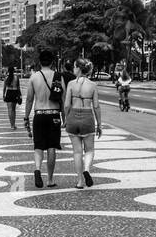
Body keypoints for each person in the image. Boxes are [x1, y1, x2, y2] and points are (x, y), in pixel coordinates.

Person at [25, 49, 64, 188]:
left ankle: (37, 169)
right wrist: (64, 118)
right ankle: (50, 179)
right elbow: (62, 99)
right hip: (54, 115)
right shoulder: (58, 76)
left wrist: (26, 117)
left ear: (39, 62)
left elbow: (29, 100)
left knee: (38, 147)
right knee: (52, 147)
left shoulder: (34, 77)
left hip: (39, 114)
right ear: (53, 62)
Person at [64, 58, 102, 189]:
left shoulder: (70, 84)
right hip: (87, 117)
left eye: (75, 67)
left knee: (77, 152)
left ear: (79, 69)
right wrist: (99, 124)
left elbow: (66, 105)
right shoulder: (92, 85)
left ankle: (80, 181)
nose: (74, 69)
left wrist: (66, 119)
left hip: (73, 117)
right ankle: (87, 169)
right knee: (90, 150)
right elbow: (96, 106)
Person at [2, 64, 22, 129]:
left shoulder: (6, 78)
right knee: (13, 110)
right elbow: (18, 87)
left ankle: (12, 125)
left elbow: (4, 88)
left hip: (8, 93)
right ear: (13, 71)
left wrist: (3, 95)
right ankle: (14, 124)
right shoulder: (16, 77)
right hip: (15, 93)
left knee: (9, 110)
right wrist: (20, 95)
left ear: (8, 71)